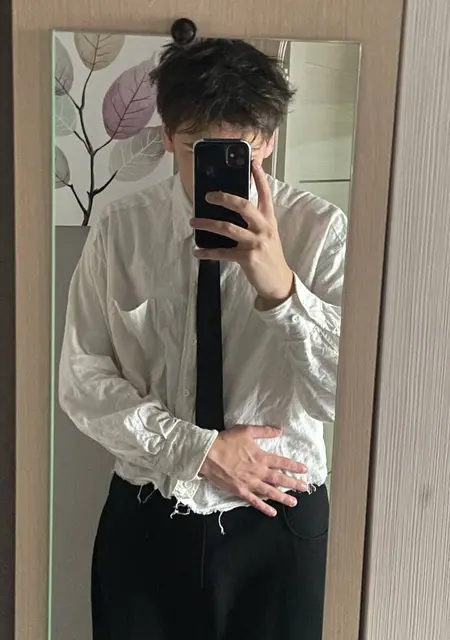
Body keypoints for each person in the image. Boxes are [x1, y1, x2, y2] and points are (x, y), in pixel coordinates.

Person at [59, 36, 346, 640]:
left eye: (240, 149)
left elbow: (345, 398)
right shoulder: (121, 231)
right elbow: (82, 379)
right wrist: (199, 450)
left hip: (281, 520)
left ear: (269, 140)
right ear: (166, 136)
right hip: (148, 512)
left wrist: (281, 289)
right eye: (197, 148)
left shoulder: (321, 232)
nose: (218, 167)